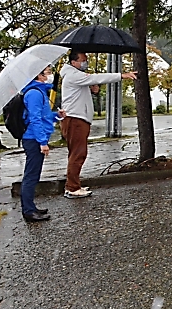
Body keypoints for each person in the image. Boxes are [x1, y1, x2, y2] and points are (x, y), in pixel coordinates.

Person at [59, 50, 137, 198]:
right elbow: (98, 77)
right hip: (75, 119)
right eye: (83, 60)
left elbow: (88, 86)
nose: (85, 62)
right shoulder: (73, 75)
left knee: (76, 153)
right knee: (78, 154)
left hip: (78, 119)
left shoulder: (76, 76)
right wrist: (121, 75)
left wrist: (93, 90)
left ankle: (73, 185)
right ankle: (72, 188)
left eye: (86, 59)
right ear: (73, 62)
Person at [21, 66, 66, 222]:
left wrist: (56, 116)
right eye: (47, 72)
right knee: (31, 176)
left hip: (36, 138)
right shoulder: (34, 93)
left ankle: (31, 207)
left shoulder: (40, 92)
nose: (50, 75)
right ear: (38, 75)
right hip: (33, 139)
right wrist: (42, 142)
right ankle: (28, 211)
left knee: (34, 175)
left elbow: (44, 116)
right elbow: (35, 119)